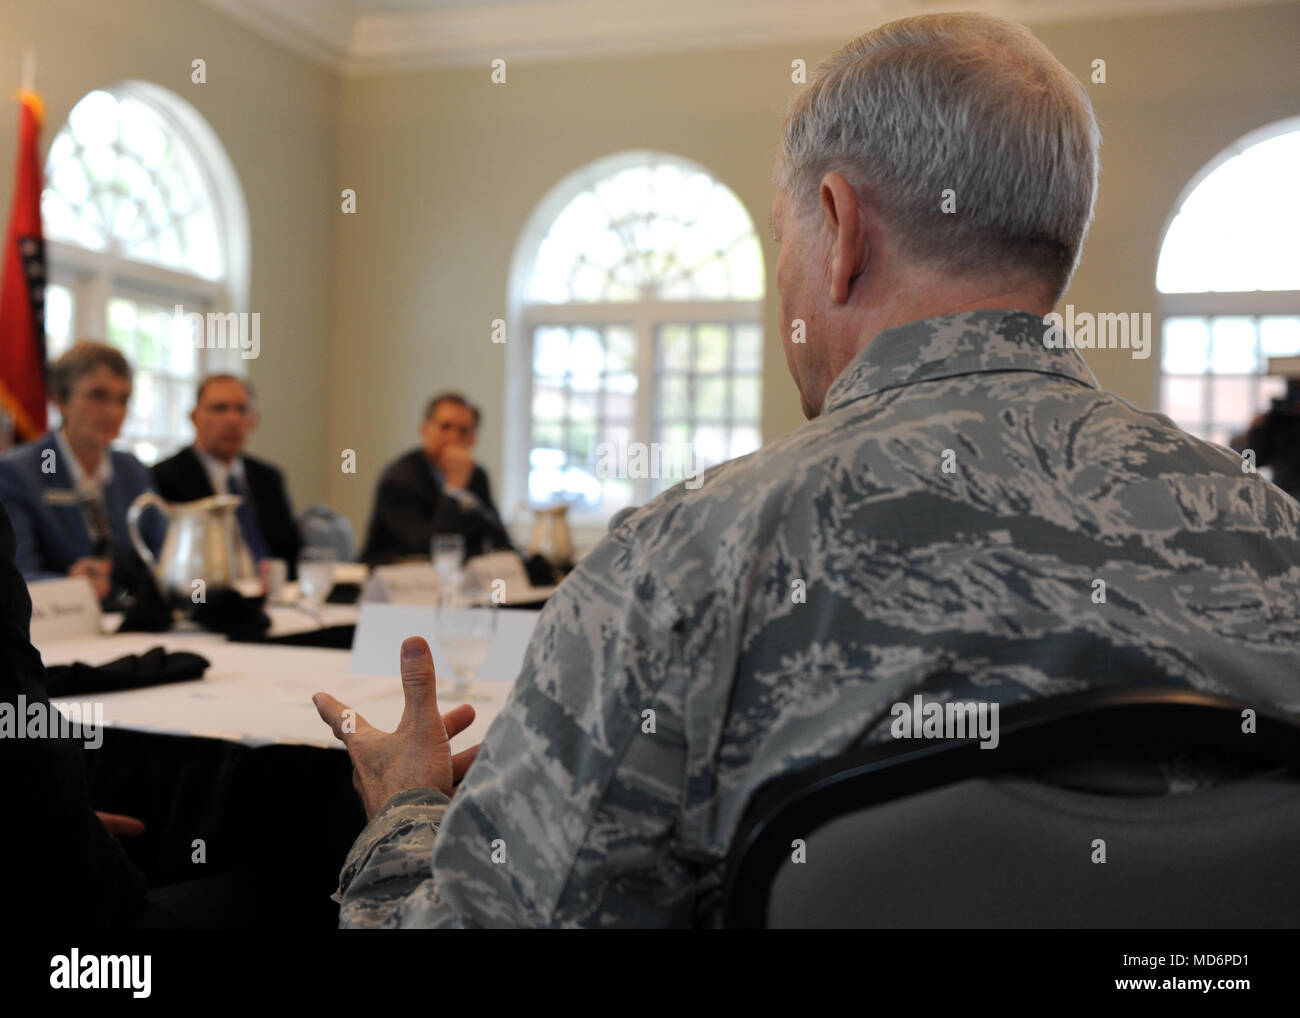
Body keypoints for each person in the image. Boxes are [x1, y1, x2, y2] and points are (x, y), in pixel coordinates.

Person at [314, 13, 1300, 927]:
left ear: (839, 229)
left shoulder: (680, 564)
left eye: (780, 238)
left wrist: (404, 809)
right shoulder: (1275, 536)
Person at [0, 342, 165, 602]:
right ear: (60, 401)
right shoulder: (18, 471)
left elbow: (160, 555)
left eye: (123, 399)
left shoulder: (131, 468)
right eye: (98, 396)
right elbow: (16, 575)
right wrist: (70, 585)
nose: (113, 411)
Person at [152, 374, 302, 576]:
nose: (232, 420)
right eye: (219, 408)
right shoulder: (165, 476)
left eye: (241, 409)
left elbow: (293, 552)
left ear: (253, 420)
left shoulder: (268, 477)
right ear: (195, 417)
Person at [359, 392, 512, 565]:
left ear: (473, 438)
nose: (454, 437)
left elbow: (501, 542)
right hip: (398, 579)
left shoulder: (477, 475)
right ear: (425, 430)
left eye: (463, 430)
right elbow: (429, 548)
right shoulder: (400, 479)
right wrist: (454, 489)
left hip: (459, 581)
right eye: (445, 427)